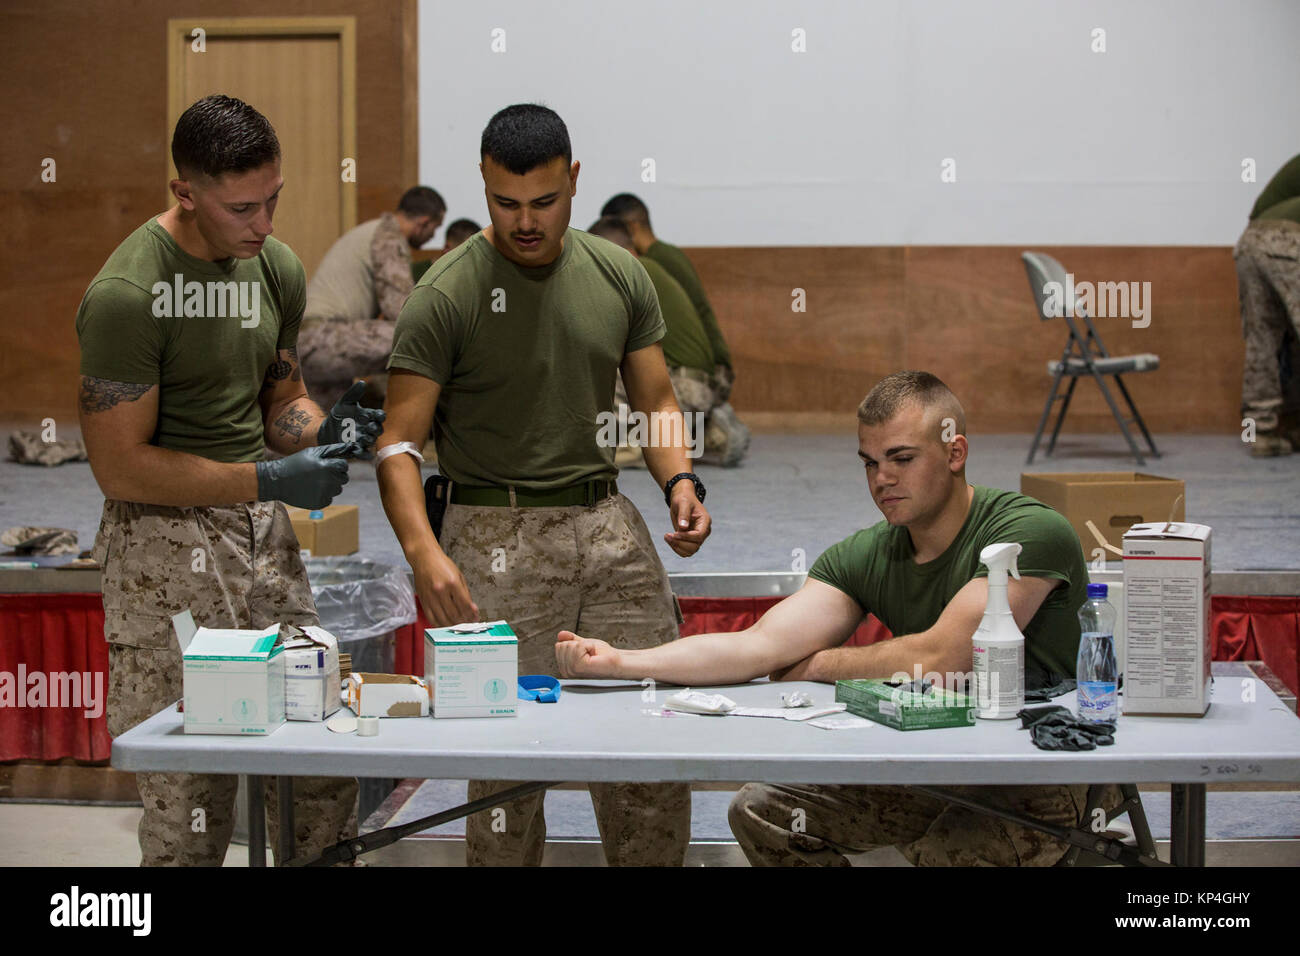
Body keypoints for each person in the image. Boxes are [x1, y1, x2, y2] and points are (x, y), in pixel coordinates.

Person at [557, 370, 1118, 867]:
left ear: (955, 452)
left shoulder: (1028, 532)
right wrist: (618, 661)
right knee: (763, 811)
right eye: (870, 463)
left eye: (902, 459)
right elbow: (757, 647)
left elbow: (946, 657)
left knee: (951, 853)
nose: (882, 480)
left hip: (1046, 763)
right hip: (943, 755)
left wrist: (823, 664)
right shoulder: (871, 552)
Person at [376, 103, 712, 867]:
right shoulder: (446, 293)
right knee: (501, 774)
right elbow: (398, 443)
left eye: (545, 202)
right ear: (485, 189)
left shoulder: (619, 274)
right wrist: (425, 554)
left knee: (647, 753)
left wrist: (680, 481)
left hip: (606, 526)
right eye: (505, 203)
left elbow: (657, 400)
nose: (526, 222)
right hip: (494, 538)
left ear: (575, 182)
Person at [76, 93, 384, 866]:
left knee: (317, 761)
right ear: (185, 192)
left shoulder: (271, 268)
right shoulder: (127, 295)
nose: (266, 224)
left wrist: (324, 430)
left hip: (261, 536)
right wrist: (270, 477)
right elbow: (120, 464)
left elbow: (280, 401)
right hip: (161, 547)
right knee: (191, 795)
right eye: (243, 207)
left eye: (274, 199)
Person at [601, 193, 749, 465]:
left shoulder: (647, 264)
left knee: (610, 371)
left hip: (699, 375)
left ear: (630, 230)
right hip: (702, 375)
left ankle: (630, 448)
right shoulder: (660, 260)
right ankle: (706, 432)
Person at [298, 186, 446, 410]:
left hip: (309, 344)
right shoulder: (388, 236)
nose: (432, 236)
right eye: (435, 229)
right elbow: (404, 312)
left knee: (323, 430)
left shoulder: (371, 230)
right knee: (419, 337)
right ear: (424, 222)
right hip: (324, 338)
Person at [1237, 153, 1300, 456]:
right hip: (1290, 240)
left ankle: (1260, 432)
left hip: (1250, 243)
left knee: (1263, 338)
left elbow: (1255, 215)